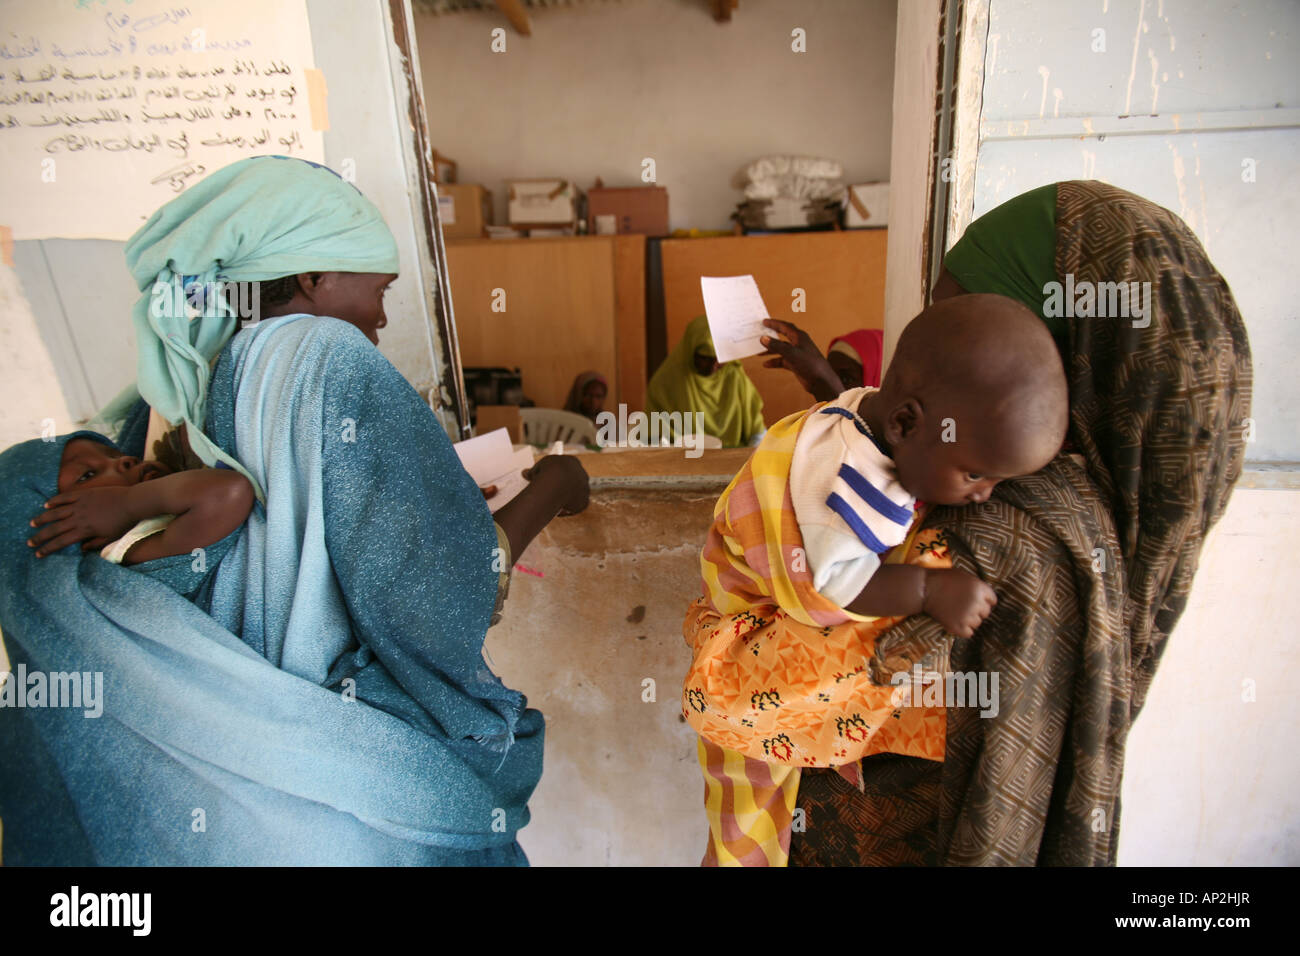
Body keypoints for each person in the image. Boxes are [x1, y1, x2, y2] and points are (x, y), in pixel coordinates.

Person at [0, 156, 589, 865]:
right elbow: (430, 595)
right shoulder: (329, 355)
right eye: (380, 290)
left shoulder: (212, 371)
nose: (381, 315)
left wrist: (429, 502)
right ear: (312, 277)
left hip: (264, 764)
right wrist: (555, 483)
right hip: (353, 770)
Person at [760, 180, 1251, 865]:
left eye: (965, 313)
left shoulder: (995, 528)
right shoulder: (1096, 526)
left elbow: (780, 683)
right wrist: (834, 395)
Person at [681, 294, 1069, 866]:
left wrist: (821, 378)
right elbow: (834, 588)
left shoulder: (867, 415)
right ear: (907, 422)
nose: (984, 494)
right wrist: (929, 589)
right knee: (747, 820)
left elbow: (844, 411)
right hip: (740, 627)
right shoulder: (858, 493)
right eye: (976, 474)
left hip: (743, 601)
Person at [25, 432, 253, 600]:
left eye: (115, 454)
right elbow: (228, 492)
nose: (125, 461)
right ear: (61, 529)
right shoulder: (127, 554)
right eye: (88, 474)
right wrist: (127, 503)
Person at [646, 315, 766, 448]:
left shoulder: (734, 376)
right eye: (705, 358)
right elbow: (653, 438)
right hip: (682, 459)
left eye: (720, 360)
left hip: (733, 462)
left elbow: (757, 432)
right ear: (690, 351)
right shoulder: (666, 382)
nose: (713, 366)